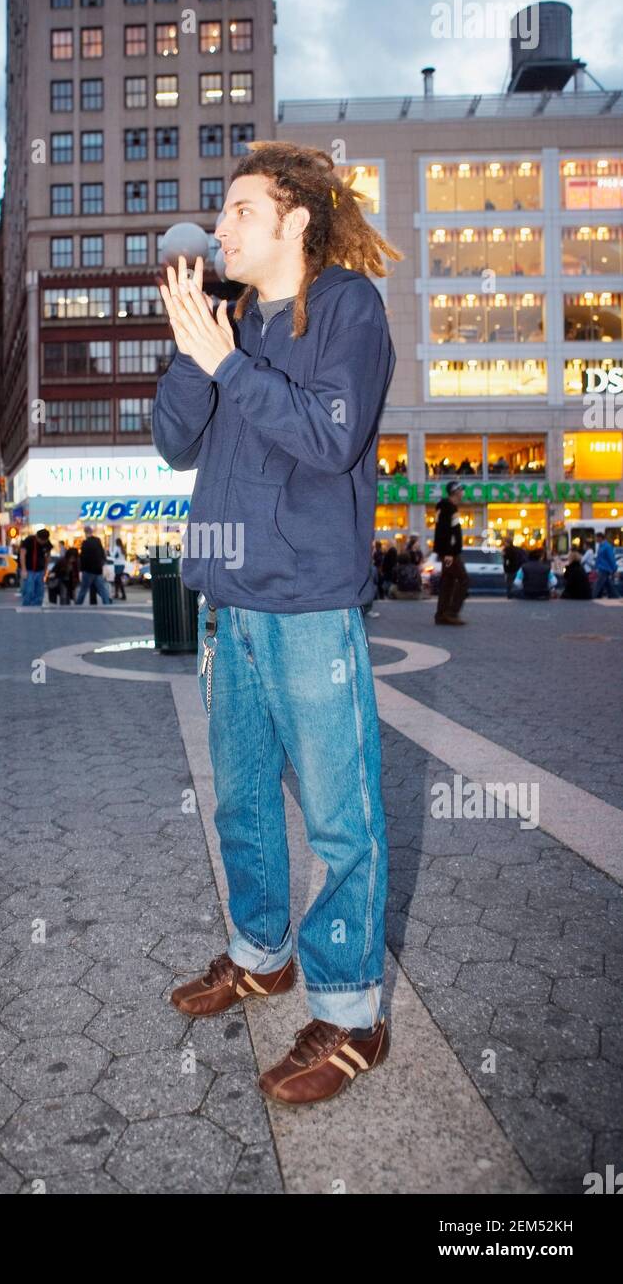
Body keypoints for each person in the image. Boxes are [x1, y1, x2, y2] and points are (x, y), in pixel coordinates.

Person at [152, 140, 402, 1106]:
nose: (220, 228)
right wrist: (194, 355)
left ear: (296, 220)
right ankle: (260, 953)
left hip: (309, 607)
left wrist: (228, 362)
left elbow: (333, 435)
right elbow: (177, 445)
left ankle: (350, 1014)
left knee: (343, 820)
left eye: (240, 211)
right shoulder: (233, 318)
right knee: (243, 801)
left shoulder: (346, 309)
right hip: (230, 606)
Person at [433, 480, 469, 625]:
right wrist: (448, 552)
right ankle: (451, 613)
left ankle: (441, 615)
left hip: (448, 552)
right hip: (450, 553)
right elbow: (445, 531)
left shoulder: (445, 507)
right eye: (461, 490)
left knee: (447, 582)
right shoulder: (449, 508)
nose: (463, 493)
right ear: (455, 491)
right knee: (464, 579)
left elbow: (443, 531)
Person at [75, 526, 111, 605]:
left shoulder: (85, 543)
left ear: (85, 532)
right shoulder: (97, 541)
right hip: (98, 570)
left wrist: (81, 569)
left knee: (83, 589)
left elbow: (83, 557)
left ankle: (78, 604)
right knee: (102, 589)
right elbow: (102, 554)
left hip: (88, 570)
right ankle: (107, 602)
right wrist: (102, 564)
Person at [20, 526, 52, 607]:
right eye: (41, 540)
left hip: (40, 570)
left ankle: (37, 607)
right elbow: (22, 554)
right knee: (29, 590)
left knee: (39, 591)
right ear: (37, 537)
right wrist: (23, 569)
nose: (42, 542)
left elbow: (48, 556)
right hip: (29, 569)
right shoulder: (29, 540)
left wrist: (45, 569)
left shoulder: (47, 543)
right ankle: (26, 606)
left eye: (44, 541)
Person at [593, 532, 620, 599]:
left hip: (605, 568)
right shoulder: (601, 546)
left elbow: (611, 558)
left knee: (598, 583)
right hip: (602, 568)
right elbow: (599, 558)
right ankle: (615, 596)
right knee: (608, 584)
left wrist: (614, 569)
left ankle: (593, 596)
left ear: (600, 538)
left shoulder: (607, 546)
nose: (595, 539)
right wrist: (596, 567)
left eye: (596, 538)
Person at [111, 536, 128, 601]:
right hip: (122, 565)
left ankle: (122, 595)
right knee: (117, 580)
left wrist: (109, 552)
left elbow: (114, 555)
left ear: (116, 542)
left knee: (118, 580)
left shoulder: (117, 548)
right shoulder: (122, 548)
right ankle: (117, 594)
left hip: (117, 565)